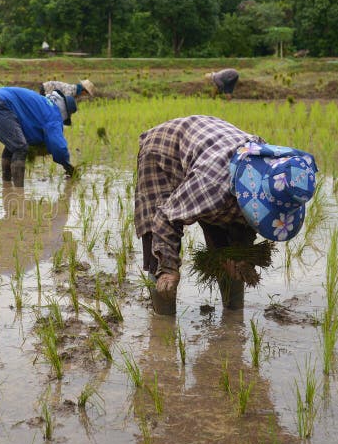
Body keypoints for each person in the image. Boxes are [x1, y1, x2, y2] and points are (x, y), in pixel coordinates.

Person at [134, 115, 316, 315]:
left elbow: (250, 221)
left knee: (229, 251)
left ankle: (233, 314)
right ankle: (163, 323)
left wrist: (240, 254)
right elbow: (165, 219)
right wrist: (168, 268)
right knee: (157, 247)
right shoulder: (211, 185)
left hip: (210, 152)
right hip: (163, 152)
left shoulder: (277, 176)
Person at [0, 86, 77, 187]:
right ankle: (19, 192)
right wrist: (67, 165)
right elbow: (58, 146)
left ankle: (6, 185)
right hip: (0, 103)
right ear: (66, 112)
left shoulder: (44, 103)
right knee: (20, 148)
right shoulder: (54, 114)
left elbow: (30, 128)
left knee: (12, 146)